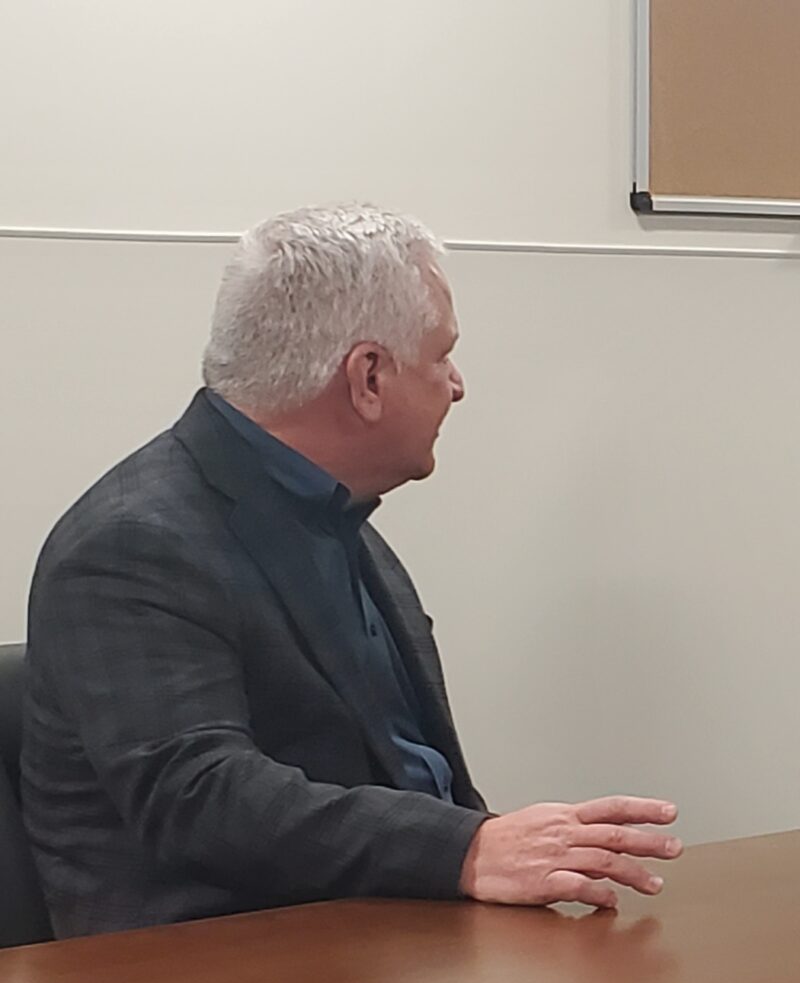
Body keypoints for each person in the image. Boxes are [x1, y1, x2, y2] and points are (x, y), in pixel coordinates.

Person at [22, 204, 681, 937]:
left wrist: (512, 854)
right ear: (367, 377)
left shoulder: (337, 521)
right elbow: (200, 797)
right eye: (440, 356)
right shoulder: (131, 545)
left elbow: (411, 774)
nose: (457, 385)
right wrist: (468, 849)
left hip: (387, 959)